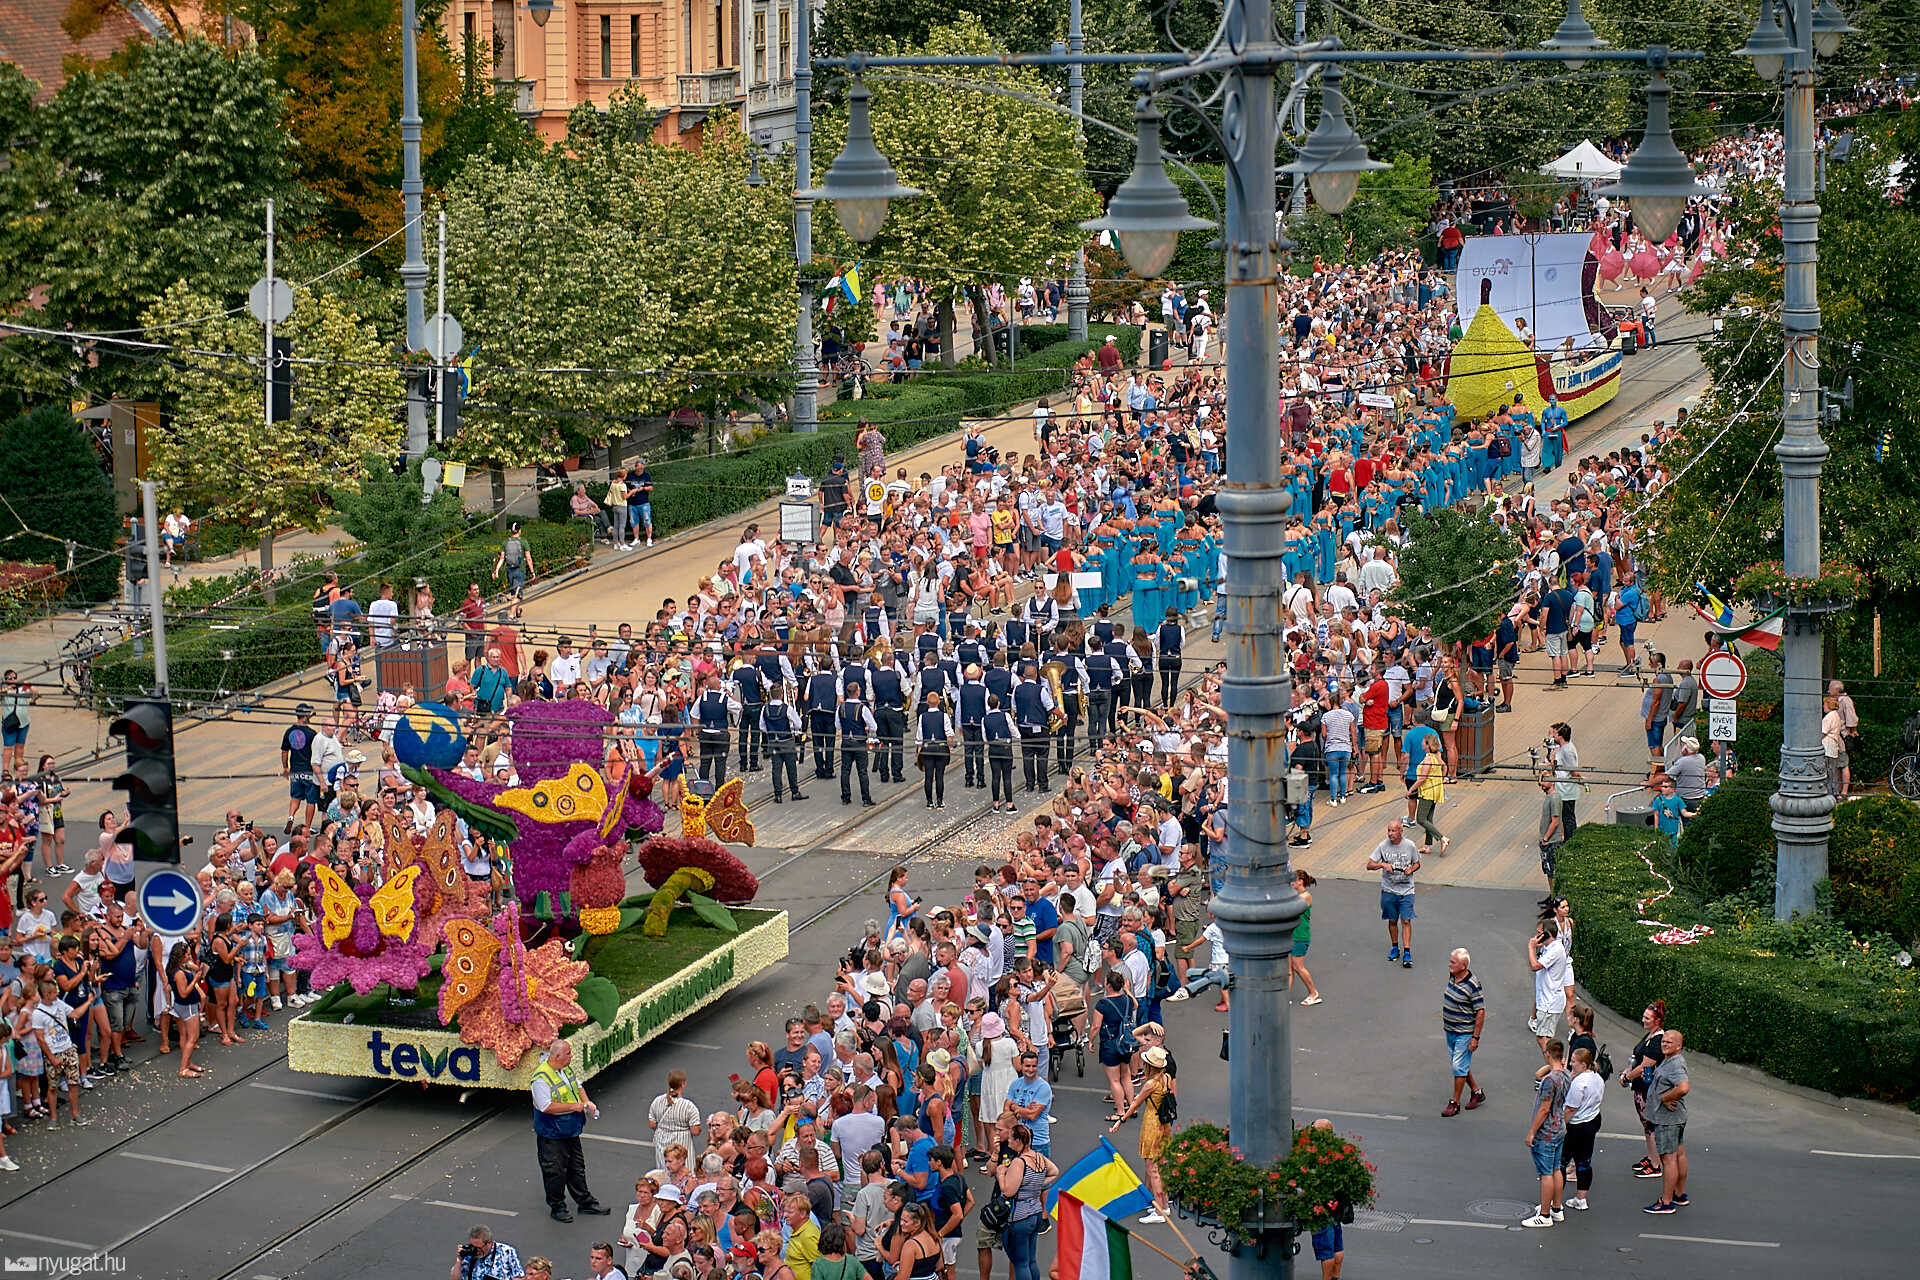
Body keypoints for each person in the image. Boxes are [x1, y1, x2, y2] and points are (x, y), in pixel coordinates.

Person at [530, 1037, 613, 1222]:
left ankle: (585, 1201)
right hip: (552, 1134)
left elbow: (578, 1086)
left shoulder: (564, 1069)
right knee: (555, 1171)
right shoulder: (541, 1079)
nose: (571, 1056)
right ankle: (557, 1206)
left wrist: (586, 1102)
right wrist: (573, 1106)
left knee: (576, 1167)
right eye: (568, 1053)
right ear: (557, 1055)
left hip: (569, 1130)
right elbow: (546, 1106)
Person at [1109, 1046, 1174, 1224]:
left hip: (1152, 1124)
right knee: (1161, 1165)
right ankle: (1164, 1205)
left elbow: (1135, 1104)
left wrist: (1120, 1121)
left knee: (1152, 1169)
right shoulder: (1167, 1078)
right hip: (1164, 1124)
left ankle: (1159, 1211)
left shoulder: (1150, 1084)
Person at [992, 1124, 1057, 1280]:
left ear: (1019, 1141)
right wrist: (1037, 1184)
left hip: (1020, 1216)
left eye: (1011, 1139)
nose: (1008, 1142)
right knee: (1031, 1259)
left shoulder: (1019, 1162)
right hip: (1035, 1213)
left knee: (1020, 1262)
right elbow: (1055, 1171)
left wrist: (1000, 1174)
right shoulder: (1039, 1157)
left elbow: (1008, 1191)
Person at [1521, 1038, 1571, 1228]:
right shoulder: (1566, 1075)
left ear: (1548, 1054)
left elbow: (1544, 1108)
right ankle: (1556, 1208)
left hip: (1547, 1131)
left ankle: (1544, 1214)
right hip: (1559, 1127)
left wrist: (1532, 1132)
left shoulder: (1550, 1080)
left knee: (1546, 1173)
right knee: (1557, 1168)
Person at [1643, 1028, 1690, 1214]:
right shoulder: (1670, 1060)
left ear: (1678, 1046)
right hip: (1676, 1118)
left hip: (1668, 1119)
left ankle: (1666, 1202)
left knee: (1668, 1159)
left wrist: (1664, 1098)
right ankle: (1679, 1194)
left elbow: (1684, 1087)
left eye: (1669, 1042)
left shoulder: (1676, 1064)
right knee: (1678, 1154)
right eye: (1664, 1041)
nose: (1664, 1043)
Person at [1621, 1000, 1669, 1180]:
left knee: (1651, 1127)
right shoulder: (1650, 1036)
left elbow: (1645, 1066)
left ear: (1657, 1021)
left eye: (1647, 1018)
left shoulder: (1657, 1041)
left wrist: (1627, 1077)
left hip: (1649, 1090)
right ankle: (1651, 1158)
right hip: (1642, 1088)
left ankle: (1656, 1165)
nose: (1643, 1020)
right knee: (1647, 1126)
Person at [1365, 819, 1421, 969]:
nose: (1390, 834)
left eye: (1393, 831)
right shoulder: (1383, 846)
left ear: (1401, 831)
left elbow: (1417, 863)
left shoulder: (1410, 846)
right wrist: (1382, 864)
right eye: (1389, 830)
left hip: (1407, 890)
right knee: (1392, 920)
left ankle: (1407, 951)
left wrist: (1411, 870)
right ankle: (1395, 947)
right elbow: (1369, 865)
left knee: (1406, 920)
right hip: (1389, 890)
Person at [1440, 947, 1485, 1117]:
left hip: (1464, 1032)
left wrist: (1475, 1037)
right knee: (1460, 1064)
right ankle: (1476, 1092)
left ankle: (1455, 1102)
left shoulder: (1472, 984)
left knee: (1458, 1066)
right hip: (1450, 1030)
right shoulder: (1454, 976)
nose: (1449, 964)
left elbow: (1480, 1011)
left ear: (1463, 966)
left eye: (1453, 962)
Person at [1562, 1045, 1604, 1212]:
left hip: (1577, 1125)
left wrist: (1563, 1126)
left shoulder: (1579, 1083)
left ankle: (1553, 1202)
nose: (1571, 1064)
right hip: (1592, 1120)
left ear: (1583, 1064)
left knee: (1561, 1162)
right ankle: (1581, 1199)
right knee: (1584, 1161)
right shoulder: (1597, 1078)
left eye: (1573, 1062)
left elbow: (1570, 1108)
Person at [1528, 916, 1573, 1052]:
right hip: (1546, 1001)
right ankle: (1554, 1065)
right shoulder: (1549, 947)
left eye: (1539, 933)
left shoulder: (1555, 950)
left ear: (1547, 934)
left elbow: (1535, 966)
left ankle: (1555, 1066)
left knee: (1544, 1038)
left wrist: (1531, 947)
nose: (1536, 936)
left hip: (1550, 1003)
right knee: (1543, 1037)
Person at [1287, 871, 1321, 1005]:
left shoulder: (1305, 896)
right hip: (1292, 936)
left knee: (1298, 967)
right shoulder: (1296, 896)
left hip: (1300, 937)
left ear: (1300, 881)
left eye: (1293, 880)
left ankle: (1314, 993)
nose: (1291, 883)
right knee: (1288, 969)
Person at [452, 1225, 525, 1280]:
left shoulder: (507, 1252)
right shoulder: (470, 1253)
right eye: (473, 1246)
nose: (476, 1250)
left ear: (489, 1242)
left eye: (478, 1247)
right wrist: (459, 1260)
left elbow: (520, 1277)